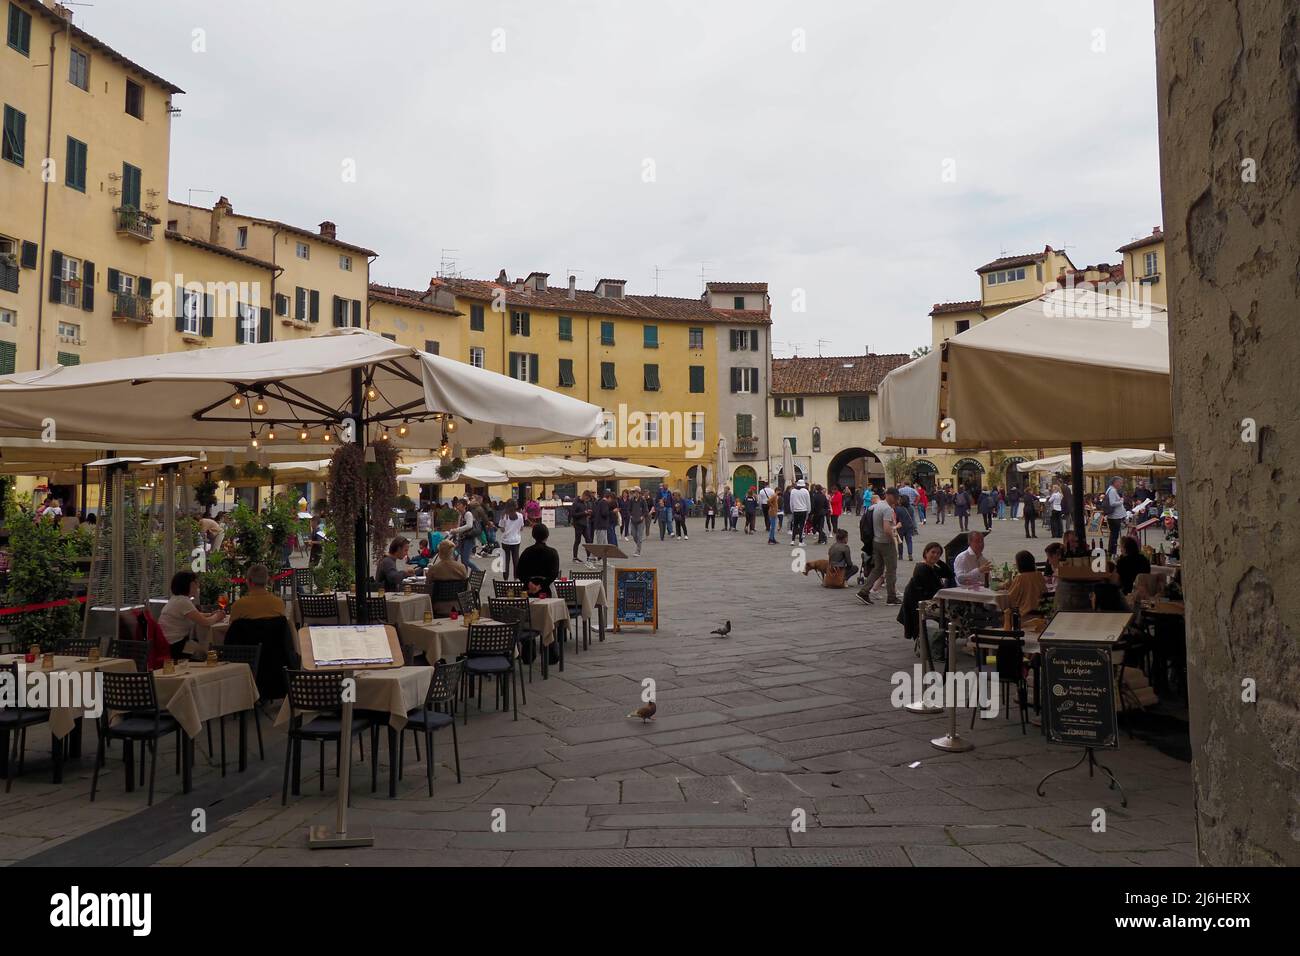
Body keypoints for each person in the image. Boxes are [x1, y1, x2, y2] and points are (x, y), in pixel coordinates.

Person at [898, 541, 955, 661]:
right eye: (932, 552)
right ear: (925, 553)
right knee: (954, 612)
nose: (935, 555)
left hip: (929, 600)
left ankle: (941, 640)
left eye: (938, 553)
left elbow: (949, 574)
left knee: (954, 609)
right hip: (920, 603)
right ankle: (939, 640)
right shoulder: (922, 568)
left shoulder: (932, 567)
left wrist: (937, 560)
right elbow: (931, 591)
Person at [159, 570, 226, 660]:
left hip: (167, 643)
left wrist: (211, 614)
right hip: (175, 646)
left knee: (201, 647)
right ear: (188, 584)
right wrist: (218, 616)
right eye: (195, 582)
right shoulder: (183, 601)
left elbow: (194, 615)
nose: (198, 585)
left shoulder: (176, 599)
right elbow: (205, 622)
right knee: (207, 653)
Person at [857, 487, 900, 605]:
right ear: (890, 495)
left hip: (876, 541)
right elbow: (887, 528)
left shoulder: (877, 505)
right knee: (891, 570)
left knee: (878, 569)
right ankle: (891, 597)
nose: (897, 500)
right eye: (896, 497)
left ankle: (864, 591)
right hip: (886, 542)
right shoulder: (887, 509)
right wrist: (893, 539)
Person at [516, 522, 560, 592]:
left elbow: (519, 572)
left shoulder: (527, 551)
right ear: (547, 535)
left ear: (533, 535)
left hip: (529, 589)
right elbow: (554, 574)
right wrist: (540, 586)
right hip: (547, 588)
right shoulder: (552, 552)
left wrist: (529, 583)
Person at [1006, 550, 1048, 621]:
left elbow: (1011, 597)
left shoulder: (1020, 578)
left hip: (1024, 614)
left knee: (1004, 613)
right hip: (1040, 613)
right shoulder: (1039, 575)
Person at [498, 499, 524, 579]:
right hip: (516, 540)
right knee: (516, 561)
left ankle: (505, 580)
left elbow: (502, 529)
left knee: (506, 561)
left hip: (506, 541)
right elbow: (521, 528)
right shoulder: (520, 516)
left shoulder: (504, 516)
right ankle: (515, 579)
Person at [451, 500, 480, 573]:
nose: (457, 506)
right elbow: (459, 527)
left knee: (466, 560)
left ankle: (479, 572)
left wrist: (457, 530)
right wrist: (456, 535)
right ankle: (465, 576)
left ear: (464, 506)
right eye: (457, 505)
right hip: (461, 539)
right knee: (462, 560)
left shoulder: (468, 514)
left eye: (459, 504)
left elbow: (469, 525)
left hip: (469, 539)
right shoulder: (460, 515)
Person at [1104, 476, 1128, 557]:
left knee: (1114, 535)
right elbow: (1112, 503)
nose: (1121, 485)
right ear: (1115, 482)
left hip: (1114, 516)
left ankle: (1112, 552)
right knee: (1114, 536)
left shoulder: (1111, 490)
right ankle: (1112, 552)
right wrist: (1121, 501)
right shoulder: (1112, 491)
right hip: (1114, 517)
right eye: (1120, 483)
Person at [626, 488, 648, 556]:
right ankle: (638, 545)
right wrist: (630, 515)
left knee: (639, 536)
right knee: (634, 535)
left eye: (636, 492)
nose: (635, 494)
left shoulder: (643, 500)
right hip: (633, 520)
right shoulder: (631, 500)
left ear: (639, 493)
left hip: (640, 521)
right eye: (634, 492)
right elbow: (628, 509)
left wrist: (643, 516)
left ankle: (638, 551)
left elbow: (646, 510)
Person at [788, 479, 811, 544]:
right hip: (803, 510)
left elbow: (791, 502)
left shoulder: (793, 491)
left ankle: (792, 540)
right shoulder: (805, 491)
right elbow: (808, 502)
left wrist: (792, 509)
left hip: (795, 510)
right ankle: (800, 541)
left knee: (794, 526)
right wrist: (809, 511)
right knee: (802, 526)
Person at [894, 493, 916, 561]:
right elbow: (912, 517)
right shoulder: (911, 508)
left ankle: (900, 555)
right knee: (909, 541)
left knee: (900, 542)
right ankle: (910, 554)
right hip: (909, 526)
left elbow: (896, 518)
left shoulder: (898, 509)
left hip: (900, 526)